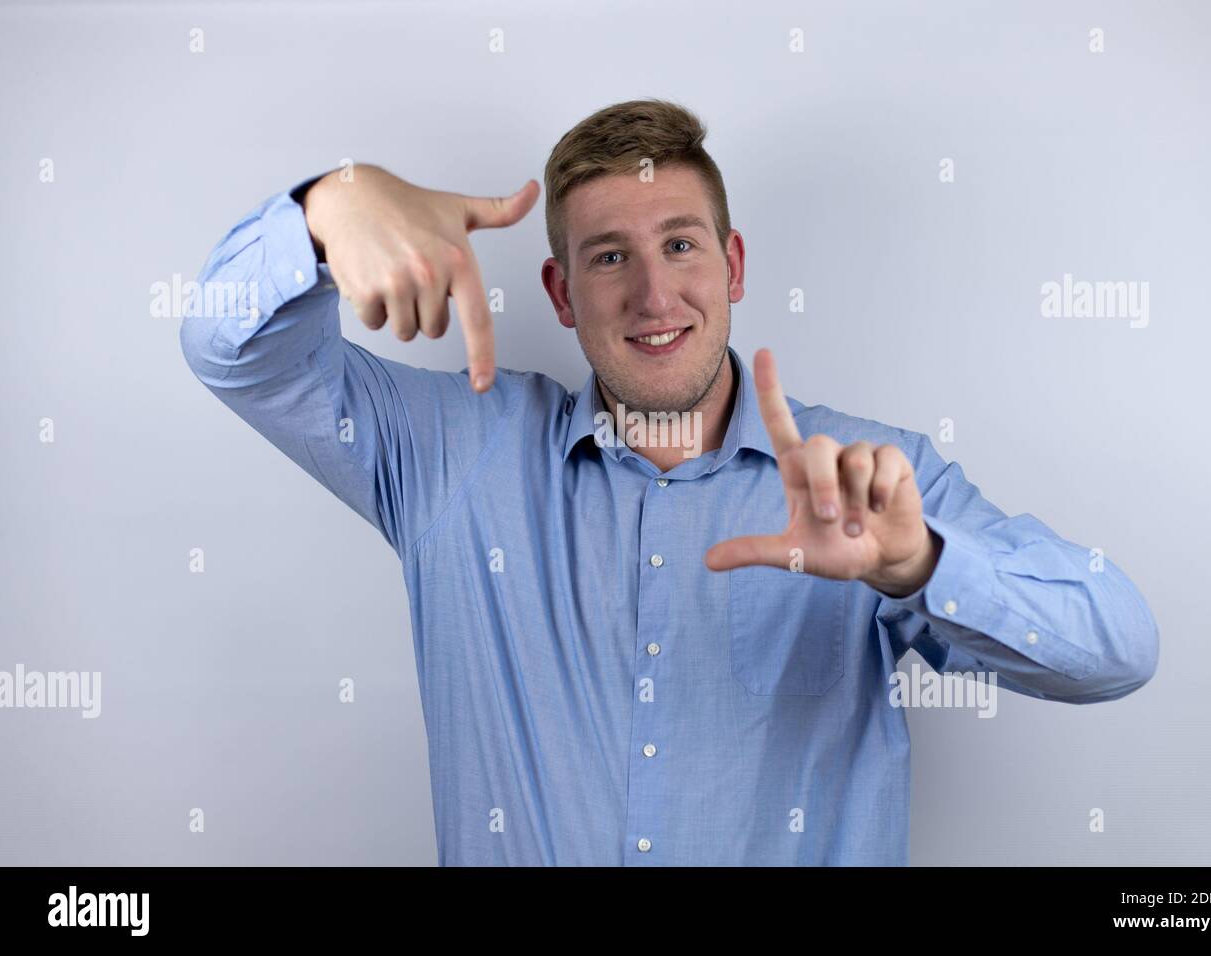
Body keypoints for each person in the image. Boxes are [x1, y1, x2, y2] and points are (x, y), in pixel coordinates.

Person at [179, 98, 1158, 865]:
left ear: (731, 265)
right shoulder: (450, 450)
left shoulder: (867, 483)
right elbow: (233, 349)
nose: (653, 294)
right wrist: (324, 209)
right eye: (609, 257)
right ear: (561, 294)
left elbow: (1117, 647)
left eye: (680, 244)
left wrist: (921, 562)